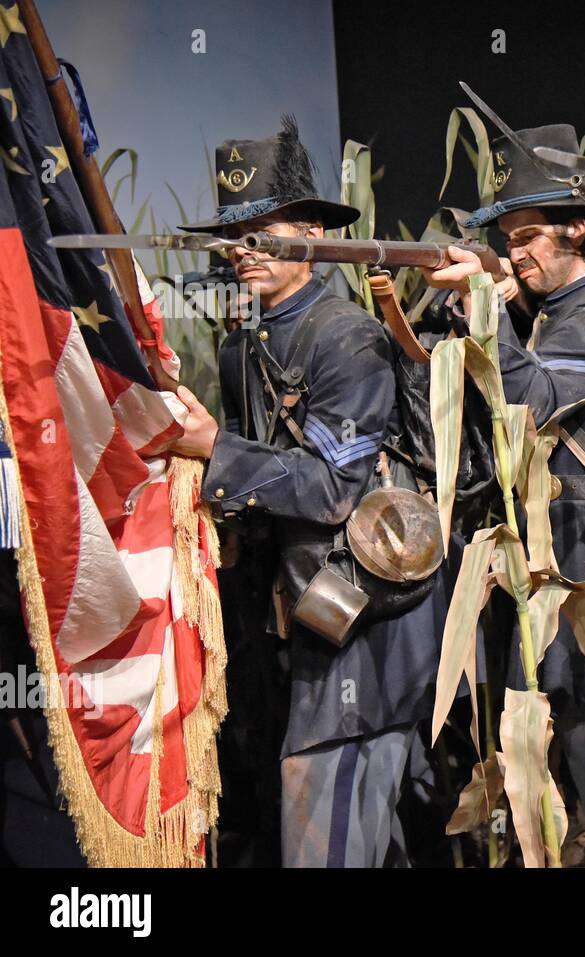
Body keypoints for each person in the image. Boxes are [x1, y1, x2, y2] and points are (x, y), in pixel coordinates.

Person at [170, 117, 454, 866]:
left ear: (309, 234)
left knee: (324, 830)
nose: (242, 251)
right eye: (235, 235)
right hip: (295, 625)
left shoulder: (348, 337)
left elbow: (332, 488)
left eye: (261, 231)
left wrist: (214, 451)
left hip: (362, 628)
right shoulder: (244, 345)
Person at [425, 123, 585, 837]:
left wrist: (485, 301)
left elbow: (533, 401)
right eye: (508, 237)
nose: (516, 251)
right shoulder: (553, 311)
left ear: (577, 228)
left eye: (530, 233)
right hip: (560, 579)